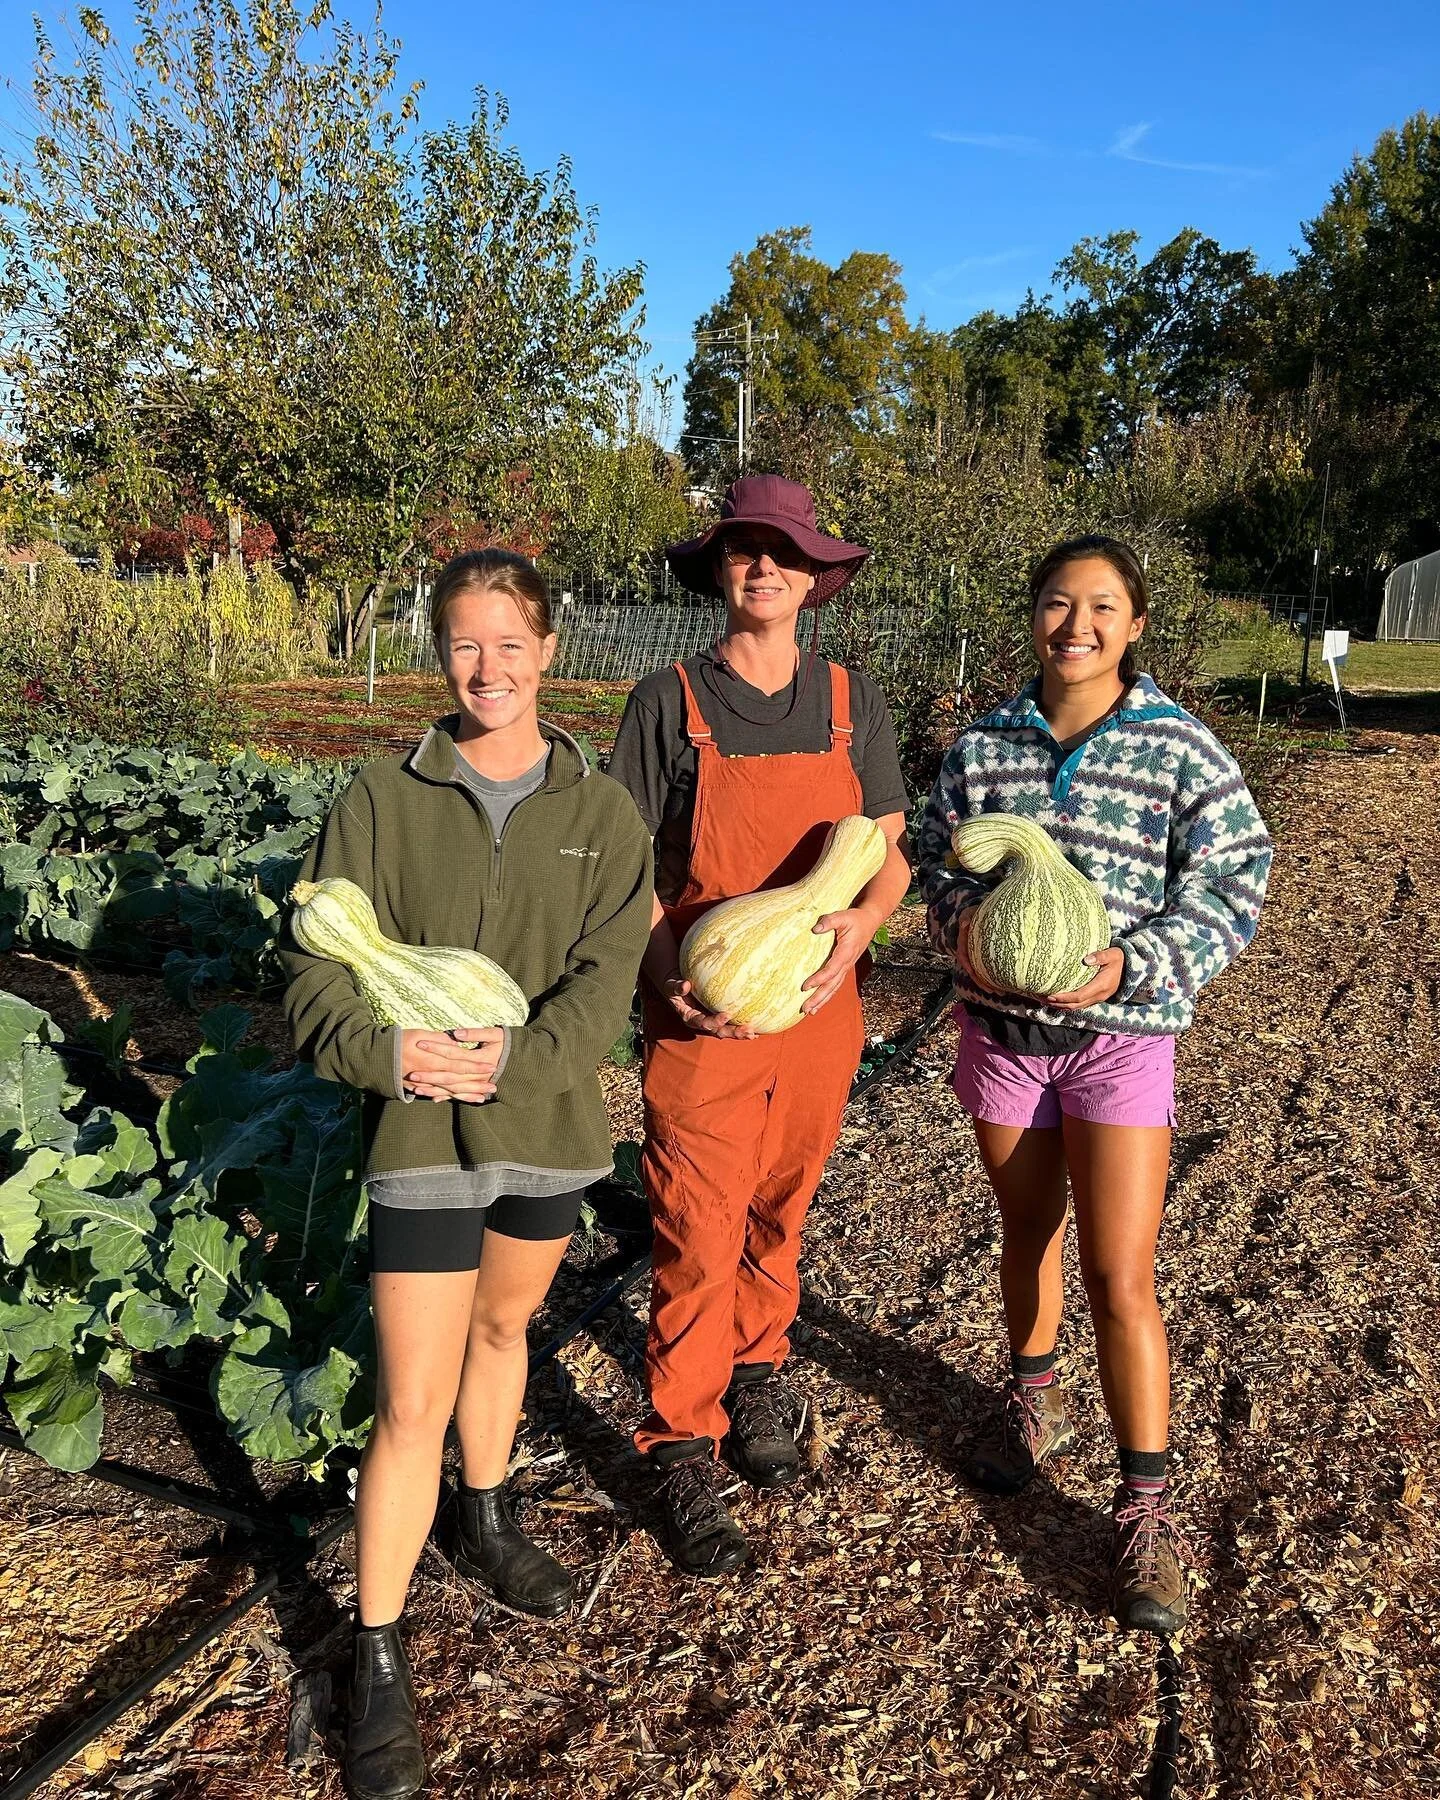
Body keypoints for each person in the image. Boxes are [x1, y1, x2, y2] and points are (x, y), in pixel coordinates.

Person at [283, 550, 652, 1800]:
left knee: (508, 1331)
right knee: (409, 1398)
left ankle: (485, 1519)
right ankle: (376, 1650)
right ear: (438, 653)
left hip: (545, 1129)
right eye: (461, 643)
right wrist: (387, 1049)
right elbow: (317, 978)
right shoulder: (379, 800)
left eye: (510, 643)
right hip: (421, 1142)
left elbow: (606, 981)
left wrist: (526, 1061)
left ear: (550, 651)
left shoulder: (602, 815)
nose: (486, 668)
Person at [916, 535, 1272, 1634]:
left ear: (1136, 622)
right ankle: (1033, 1398)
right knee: (1025, 1231)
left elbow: (1236, 880)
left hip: (1123, 1038)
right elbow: (936, 861)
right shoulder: (984, 748)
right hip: (1002, 1035)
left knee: (1123, 1273)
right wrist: (960, 931)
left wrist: (1135, 965)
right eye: (1059, 605)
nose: (1077, 626)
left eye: (1102, 607)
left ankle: (1147, 1508)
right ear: (1032, 614)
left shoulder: (1180, 750)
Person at [606, 474, 912, 1576]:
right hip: (699, 1011)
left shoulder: (851, 701)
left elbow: (885, 850)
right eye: (743, 549)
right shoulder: (666, 701)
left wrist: (858, 934)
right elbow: (618, 866)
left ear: (814, 577)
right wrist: (659, 970)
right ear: (720, 570)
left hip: (820, 1009)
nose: (764, 567)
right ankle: (680, 1437)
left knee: (782, 1208)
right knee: (696, 1224)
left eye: (784, 552)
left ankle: (760, 1365)